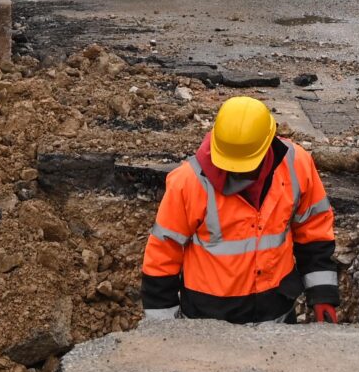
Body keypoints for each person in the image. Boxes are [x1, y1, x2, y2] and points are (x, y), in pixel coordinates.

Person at [140, 96, 341, 323]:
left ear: (268, 145)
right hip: (209, 325)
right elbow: (163, 253)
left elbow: (313, 229)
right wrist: (163, 330)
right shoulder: (189, 182)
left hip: (277, 315)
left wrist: (322, 292)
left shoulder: (296, 164)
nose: (234, 174)